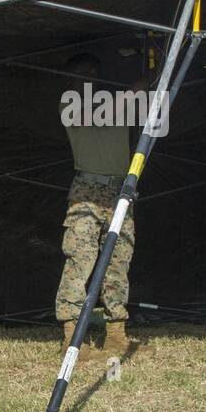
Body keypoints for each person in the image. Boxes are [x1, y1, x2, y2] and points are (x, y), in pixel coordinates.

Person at [53, 53, 152, 360]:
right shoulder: (70, 105)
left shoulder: (112, 101)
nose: (88, 80)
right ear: (70, 80)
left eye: (93, 74)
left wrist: (151, 76)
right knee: (79, 259)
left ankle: (116, 333)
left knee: (118, 261)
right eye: (82, 74)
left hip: (118, 190)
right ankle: (72, 338)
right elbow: (107, 113)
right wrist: (139, 84)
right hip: (87, 189)